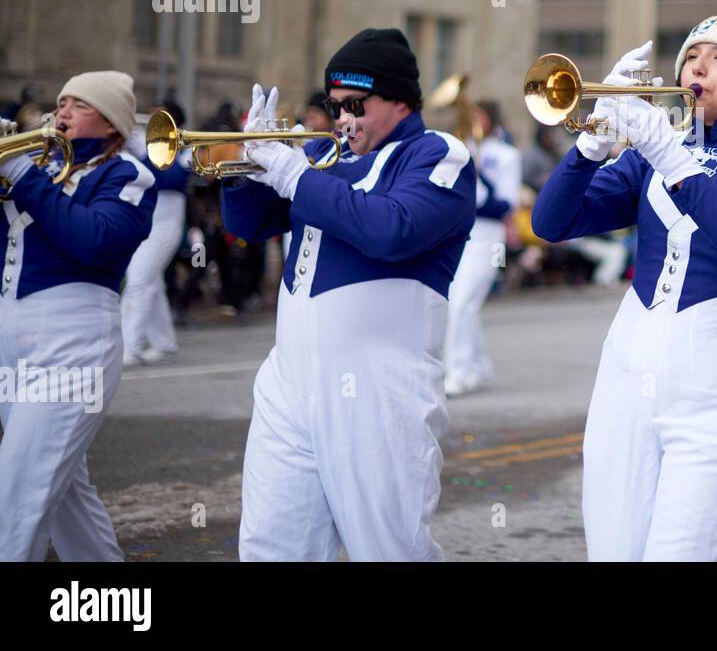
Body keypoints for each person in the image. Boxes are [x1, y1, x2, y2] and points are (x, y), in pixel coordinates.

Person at [532, 0, 717, 561]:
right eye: (691, 56)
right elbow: (552, 222)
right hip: (626, 366)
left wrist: (671, 158)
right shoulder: (650, 158)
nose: (697, 68)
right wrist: (592, 142)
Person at [220, 28, 477, 560]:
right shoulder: (320, 155)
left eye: (353, 105)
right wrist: (247, 165)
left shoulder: (438, 154)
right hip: (289, 381)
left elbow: (393, 230)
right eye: (332, 106)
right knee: (270, 546)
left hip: (377, 386)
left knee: (387, 549)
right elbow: (247, 225)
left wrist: (297, 176)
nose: (341, 119)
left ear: (400, 99)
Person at [0, 71, 157, 560]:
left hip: (75, 340)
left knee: (17, 491)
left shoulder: (128, 175)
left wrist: (23, 175)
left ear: (111, 124)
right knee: (66, 495)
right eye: (61, 101)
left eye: (79, 105)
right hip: (12, 333)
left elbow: (94, 240)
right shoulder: (41, 169)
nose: (61, 111)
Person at [444, 101, 522, 397]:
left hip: (491, 238)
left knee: (463, 302)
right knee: (460, 300)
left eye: (479, 116)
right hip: (462, 233)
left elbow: (505, 204)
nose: (474, 121)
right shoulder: (464, 148)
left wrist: (479, 172)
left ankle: (459, 371)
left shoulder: (507, 155)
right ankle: (477, 365)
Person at [121, 98, 190, 366]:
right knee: (152, 283)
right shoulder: (145, 145)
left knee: (138, 280)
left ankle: (131, 346)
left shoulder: (183, 151)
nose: (151, 123)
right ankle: (164, 342)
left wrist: (144, 155)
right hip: (145, 221)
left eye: (158, 118)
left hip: (166, 225)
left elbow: (170, 180)